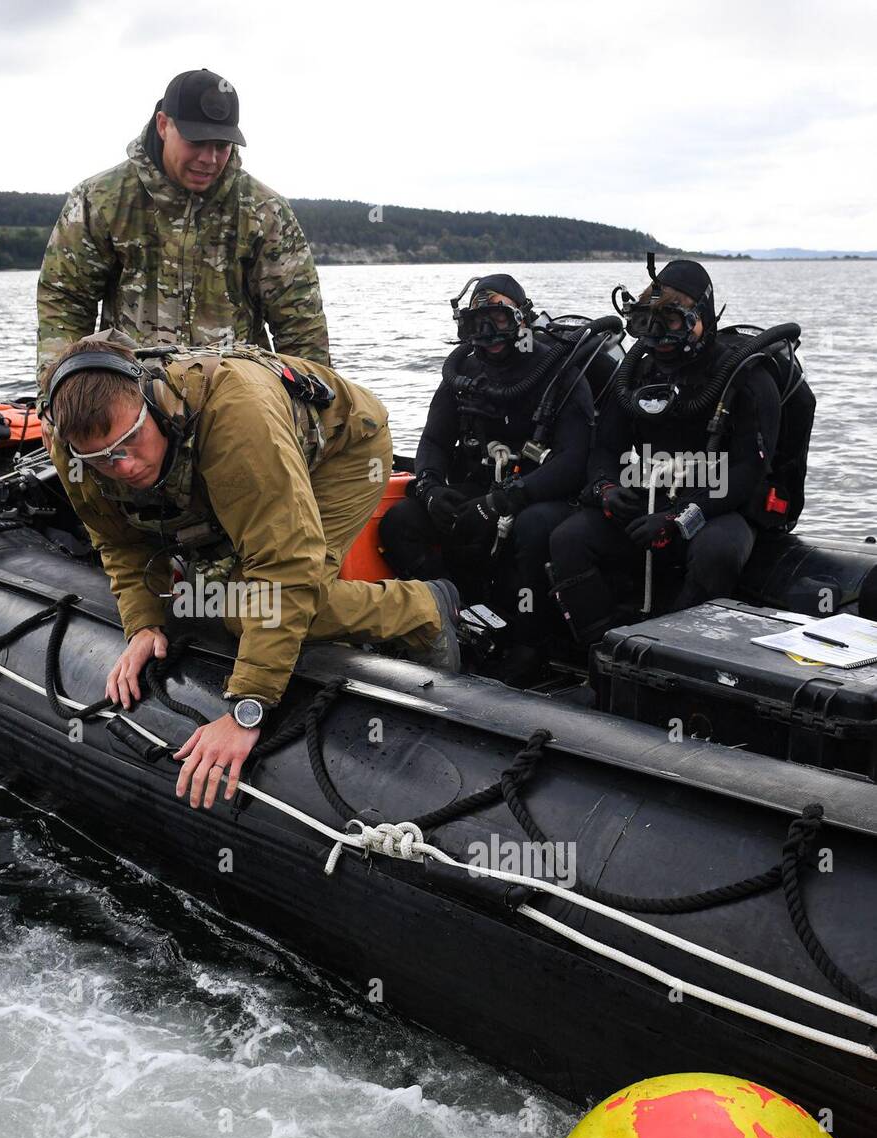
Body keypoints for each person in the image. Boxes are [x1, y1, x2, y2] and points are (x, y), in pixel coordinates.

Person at [41, 334, 461, 811]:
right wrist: (143, 623)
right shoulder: (73, 449)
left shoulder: (236, 418)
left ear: (149, 402)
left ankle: (424, 608)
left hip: (341, 454)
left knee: (251, 609)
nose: (124, 466)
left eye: (130, 441)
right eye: (101, 458)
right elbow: (118, 540)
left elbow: (285, 567)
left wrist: (247, 708)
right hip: (236, 461)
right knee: (206, 602)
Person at [35, 68, 330, 392]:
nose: (209, 158)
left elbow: (301, 321)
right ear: (163, 125)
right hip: (131, 399)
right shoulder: (99, 201)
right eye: (197, 142)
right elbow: (65, 302)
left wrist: (315, 410)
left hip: (241, 402)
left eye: (222, 145)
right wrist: (57, 395)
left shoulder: (264, 211)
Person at [548, 259, 780, 643]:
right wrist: (606, 490)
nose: (657, 336)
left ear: (700, 318)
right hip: (653, 498)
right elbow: (605, 447)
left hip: (719, 507)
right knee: (568, 538)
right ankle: (602, 648)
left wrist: (681, 518)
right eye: (646, 323)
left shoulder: (745, 377)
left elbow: (746, 475)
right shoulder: (637, 373)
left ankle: (674, 653)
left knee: (716, 552)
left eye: (669, 321)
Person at [378, 274, 595, 682]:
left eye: (498, 320)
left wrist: (507, 500)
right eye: (475, 324)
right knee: (400, 521)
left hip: (543, 495)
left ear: (522, 318)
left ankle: (530, 643)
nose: (488, 334)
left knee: (531, 529)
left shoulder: (556, 369)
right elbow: (434, 440)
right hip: (483, 488)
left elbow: (575, 460)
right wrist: (428, 487)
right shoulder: (462, 373)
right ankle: (455, 613)